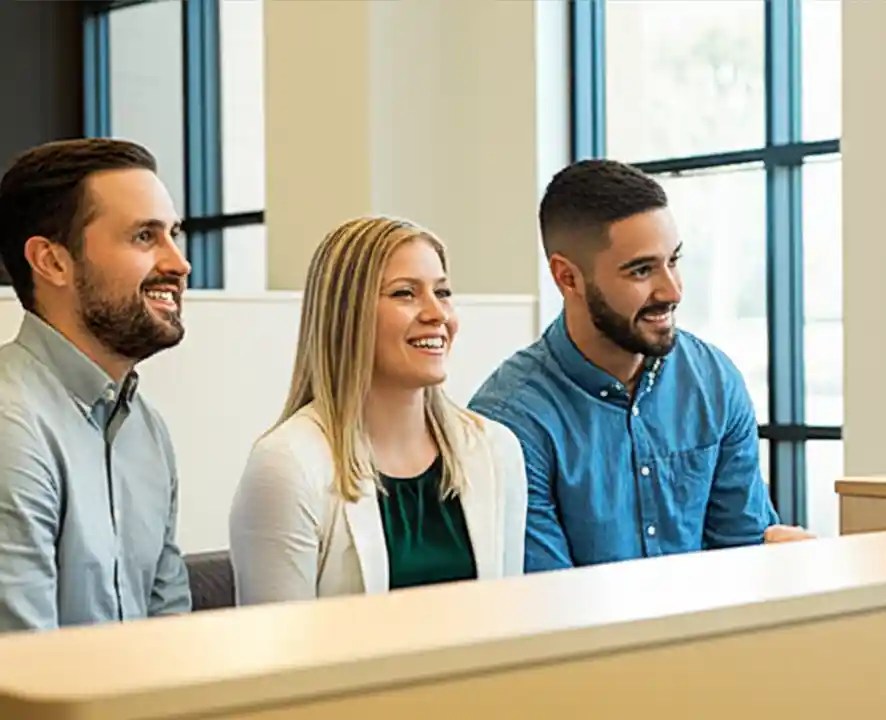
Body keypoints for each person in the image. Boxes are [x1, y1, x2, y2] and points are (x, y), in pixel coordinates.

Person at [469, 159, 811, 573]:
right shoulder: (508, 423)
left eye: (674, 261)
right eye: (642, 270)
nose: (672, 290)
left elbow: (742, 557)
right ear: (568, 278)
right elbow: (549, 608)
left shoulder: (713, 382)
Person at [229, 216, 527, 604]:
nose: (437, 314)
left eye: (443, 292)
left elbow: (507, 626)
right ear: (345, 314)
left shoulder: (494, 449)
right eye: (405, 293)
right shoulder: (286, 464)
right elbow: (277, 654)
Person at [0, 138, 192, 630]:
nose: (179, 263)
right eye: (145, 238)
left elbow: (171, 635)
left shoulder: (147, 430)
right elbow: (22, 673)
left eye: (174, 233)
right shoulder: (10, 424)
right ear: (52, 262)